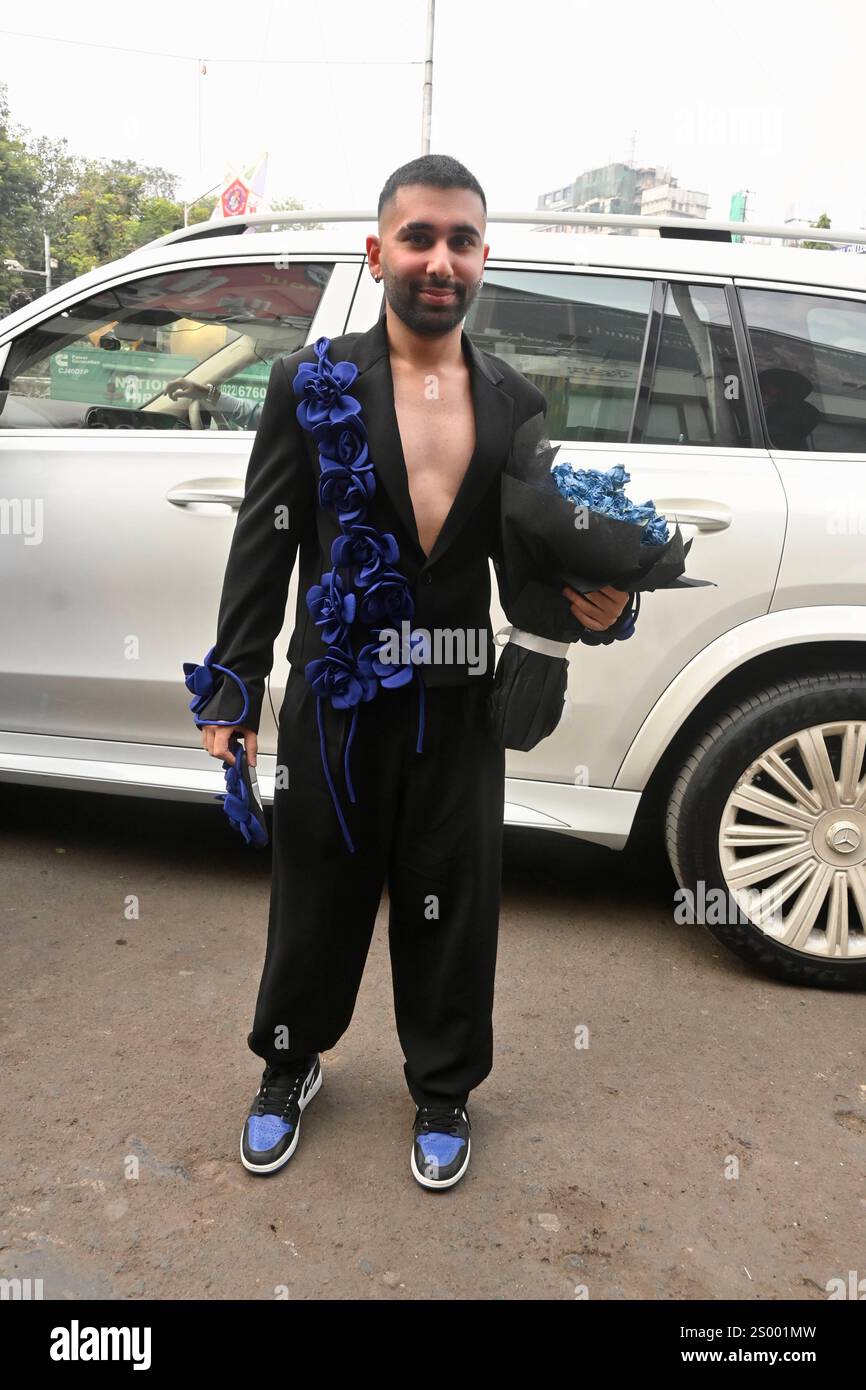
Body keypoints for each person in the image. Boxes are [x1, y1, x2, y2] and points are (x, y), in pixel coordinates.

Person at [186, 155, 631, 1190]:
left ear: (483, 260)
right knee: (317, 893)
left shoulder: (515, 403)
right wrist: (233, 687)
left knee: (451, 897)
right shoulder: (313, 381)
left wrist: (607, 606)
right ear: (378, 250)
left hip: (456, 702)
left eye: (461, 240)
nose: (441, 259)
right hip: (336, 699)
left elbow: (531, 566)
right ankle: (289, 1063)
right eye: (421, 236)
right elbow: (263, 540)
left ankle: (441, 1084)